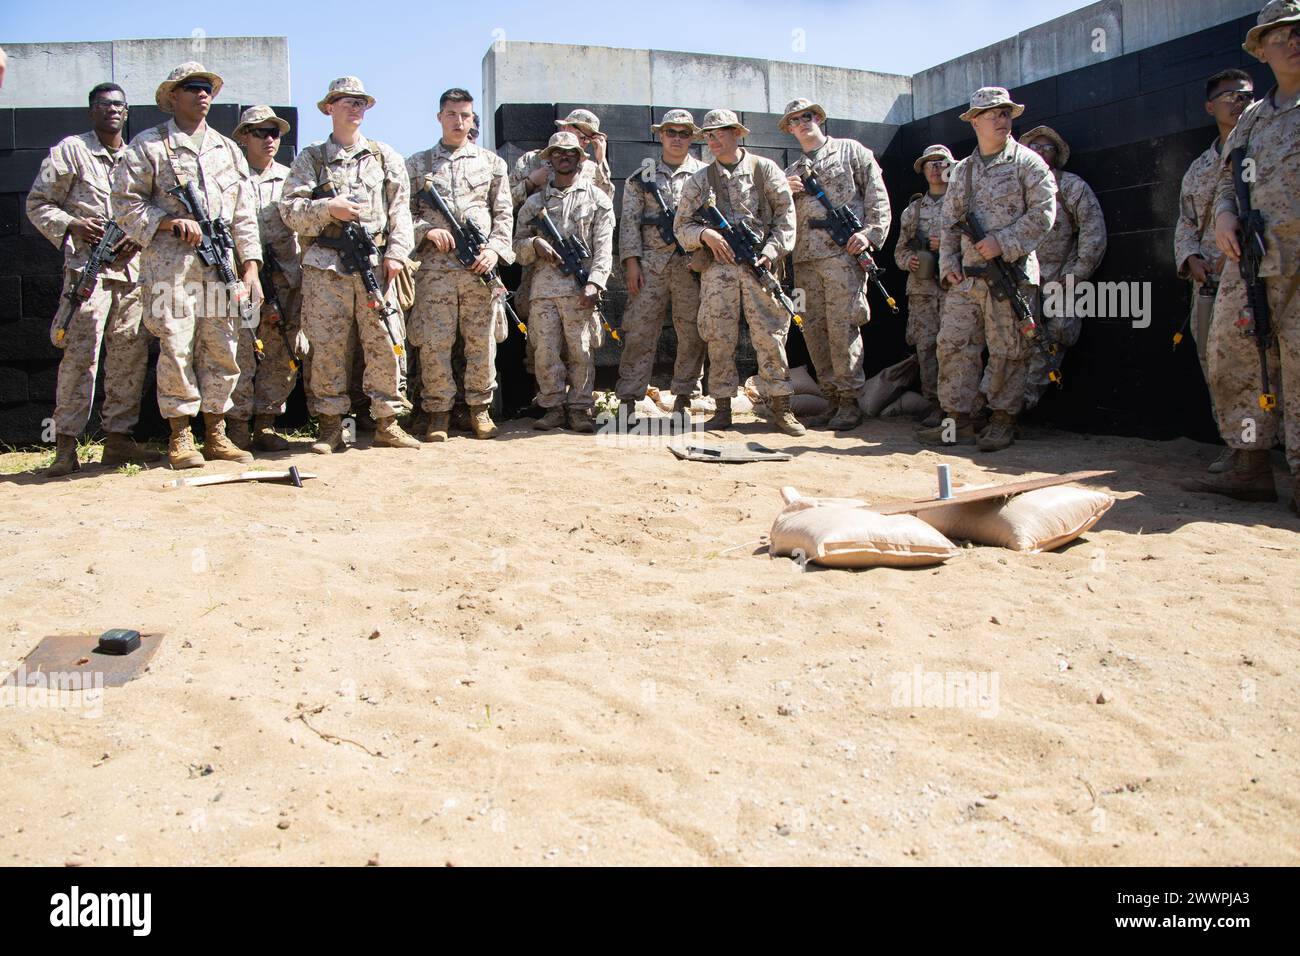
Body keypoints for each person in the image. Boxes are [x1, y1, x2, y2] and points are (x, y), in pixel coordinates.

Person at [112, 62, 262, 469]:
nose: (203, 95)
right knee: (176, 348)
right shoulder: (148, 146)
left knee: (222, 347)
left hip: (220, 266)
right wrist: (167, 221)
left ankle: (216, 433)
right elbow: (124, 204)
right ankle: (180, 436)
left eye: (208, 88)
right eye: (193, 88)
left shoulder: (228, 149)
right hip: (171, 267)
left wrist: (250, 268)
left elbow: (244, 214)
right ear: (172, 97)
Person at [1187, 0, 1300, 512]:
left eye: (1299, 31)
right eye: (1281, 35)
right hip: (1253, 258)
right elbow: (1233, 183)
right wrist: (1226, 216)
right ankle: (1250, 464)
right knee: (1234, 357)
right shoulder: (1254, 118)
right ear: (1262, 49)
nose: (1293, 41)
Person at [279, 77, 418, 454]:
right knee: (327, 348)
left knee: (385, 341)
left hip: (375, 263)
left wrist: (397, 254)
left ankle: (387, 422)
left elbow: (400, 212)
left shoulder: (385, 155)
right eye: (346, 101)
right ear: (329, 108)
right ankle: (332, 428)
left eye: (360, 102)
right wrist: (328, 209)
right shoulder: (312, 159)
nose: (354, 108)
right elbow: (290, 211)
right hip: (327, 267)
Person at [27, 81, 157, 476]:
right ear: (91, 111)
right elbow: (37, 203)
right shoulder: (71, 150)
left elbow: (154, 206)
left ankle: (118, 441)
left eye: (118, 105)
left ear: (127, 111)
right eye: (104, 105)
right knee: (80, 358)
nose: (112, 110)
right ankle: (66, 446)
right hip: (89, 272)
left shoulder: (139, 155)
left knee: (129, 358)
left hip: (133, 273)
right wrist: (73, 225)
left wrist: (139, 237)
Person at [916, 86, 1057, 452]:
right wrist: (948, 265)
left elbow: (1044, 214)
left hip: (1010, 275)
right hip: (967, 278)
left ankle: (1002, 419)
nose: (1002, 119)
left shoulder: (1028, 163)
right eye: (993, 113)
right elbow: (948, 222)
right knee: (953, 345)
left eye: (1006, 113)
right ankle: (958, 421)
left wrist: (1004, 241)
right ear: (974, 121)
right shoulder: (962, 172)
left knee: (1008, 348)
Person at [674, 109, 804, 436]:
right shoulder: (699, 180)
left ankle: (781, 408)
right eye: (709, 136)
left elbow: (786, 220)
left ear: (737, 134)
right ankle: (722, 408)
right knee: (718, 337)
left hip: (760, 265)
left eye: (719, 133)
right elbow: (682, 226)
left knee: (771, 336)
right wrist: (706, 235)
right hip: (719, 271)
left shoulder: (765, 170)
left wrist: (771, 252)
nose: (713, 141)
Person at [406, 88, 513, 441]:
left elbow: (503, 215)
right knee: (435, 342)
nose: (458, 121)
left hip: (478, 270)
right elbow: (400, 217)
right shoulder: (418, 164)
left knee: (481, 342)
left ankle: (479, 410)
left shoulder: (492, 163)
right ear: (439, 117)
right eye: (451, 114)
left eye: (465, 115)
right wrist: (427, 230)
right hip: (434, 271)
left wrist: (495, 252)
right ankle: (438, 414)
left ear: (472, 118)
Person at [782, 97, 891, 431]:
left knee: (843, 328)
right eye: (795, 120)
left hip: (842, 256)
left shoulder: (851, 151)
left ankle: (849, 401)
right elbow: (775, 215)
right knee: (815, 330)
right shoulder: (790, 172)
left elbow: (877, 196)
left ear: (819, 118)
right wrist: (783, 191)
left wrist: (871, 235)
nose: (803, 122)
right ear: (788, 128)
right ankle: (830, 398)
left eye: (808, 116)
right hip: (805, 261)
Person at [1174, 67, 1255, 473]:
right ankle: (1241, 450)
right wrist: (1190, 259)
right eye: (1230, 96)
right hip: (1212, 282)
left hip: (1262, 273)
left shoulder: (1266, 144)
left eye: (1245, 94)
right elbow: (1186, 221)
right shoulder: (1201, 168)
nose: (1239, 101)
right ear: (1210, 106)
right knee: (1219, 362)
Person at [513, 131, 614, 432]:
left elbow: (604, 247)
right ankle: (552, 407)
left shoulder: (597, 199)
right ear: (550, 158)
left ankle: (580, 408)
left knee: (581, 351)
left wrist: (595, 283)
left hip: (580, 288)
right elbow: (516, 248)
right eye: (558, 153)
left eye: (570, 153)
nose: (564, 157)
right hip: (542, 290)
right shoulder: (533, 203)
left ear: (580, 158)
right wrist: (534, 245)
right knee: (544, 351)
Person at [614, 109, 707, 426]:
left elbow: (713, 221)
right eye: (671, 132)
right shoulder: (643, 175)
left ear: (692, 137)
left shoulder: (706, 174)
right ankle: (628, 400)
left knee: (692, 332)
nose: (677, 138)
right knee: (639, 331)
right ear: (661, 135)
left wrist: (703, 259)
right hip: (650, 265)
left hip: (690, 264)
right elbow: (629, 223)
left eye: (683, 133)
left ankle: (684, 399)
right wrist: (631, 263)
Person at [229, 105, 303, 452]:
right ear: (244, 137)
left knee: (280, 354)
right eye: (260, 132)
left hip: (284, 281)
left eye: (274, 132)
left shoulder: (291, 179)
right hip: (239, 281)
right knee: (239, 351)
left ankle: (266, 424)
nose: (270, 139)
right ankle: (237, 427)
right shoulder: (229, 176)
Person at [1020, 125, 1107, 409]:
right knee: (1017, 341)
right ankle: (1005, 406)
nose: (1040, 152)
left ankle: (1022, 405)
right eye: (1034, 147)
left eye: (1047, 147)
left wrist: (1077, 274)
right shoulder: (1016, 189)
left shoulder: (1071, 186)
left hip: (1060, 280)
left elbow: (1093, 231)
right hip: (1020, 280)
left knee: (1054, 337)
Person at [895, 145, 955, 428]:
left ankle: (958, 407)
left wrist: (949, 248)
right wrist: (911, 261)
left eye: (940, 162)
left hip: (956, 287)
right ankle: (935, 404)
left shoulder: (962, 203)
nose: (934, 167)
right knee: (927, 348)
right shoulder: (913, 211)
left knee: (956, 347)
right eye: (929, 163)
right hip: (923, 291)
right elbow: (899, 252)